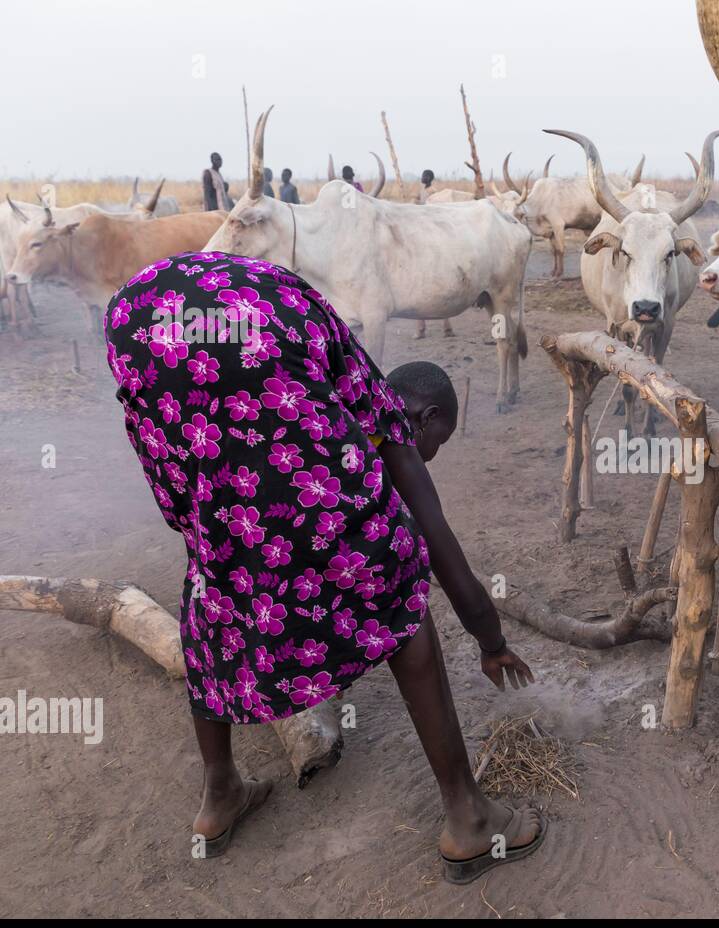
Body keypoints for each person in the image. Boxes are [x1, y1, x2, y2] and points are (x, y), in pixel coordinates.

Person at [102, 251, 543, 883]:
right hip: (260, 325)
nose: (430, 455)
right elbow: (436, 537)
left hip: (139, 324)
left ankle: (220, 793)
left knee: (213, 591)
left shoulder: (297, 346)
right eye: (435, 444)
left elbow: (159, 450)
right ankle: (470, 818)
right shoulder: (367, 391)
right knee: (397, 590)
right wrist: (490, 638)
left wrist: (205, 526)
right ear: (425, 418)